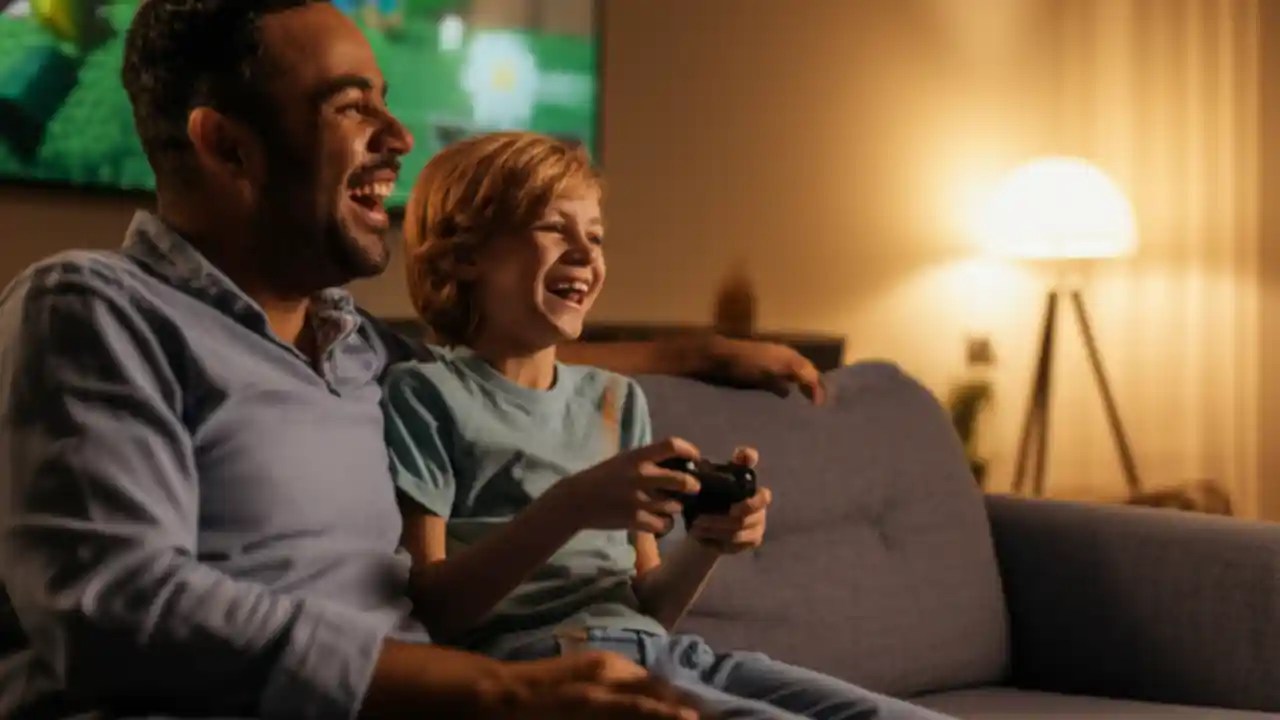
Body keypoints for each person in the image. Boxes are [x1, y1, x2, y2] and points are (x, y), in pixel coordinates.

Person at [0, 2, 826, 718]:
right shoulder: (92, 307)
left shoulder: (365, 352)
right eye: (350, 109)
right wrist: (490, 693)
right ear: (226, 146)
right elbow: (110, 610)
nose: (398, 138)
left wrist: (701, 352)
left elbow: (512, 360)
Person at [381, 132, 955, 720]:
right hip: (549, 677)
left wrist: (706, 543)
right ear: (463, 255)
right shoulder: (426, 393)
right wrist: (572, 505)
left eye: (596, 235)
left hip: (669, 654)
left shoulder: (614, 399)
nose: (585, 251)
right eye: (554, 228)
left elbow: (648, 605)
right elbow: (435, 610)